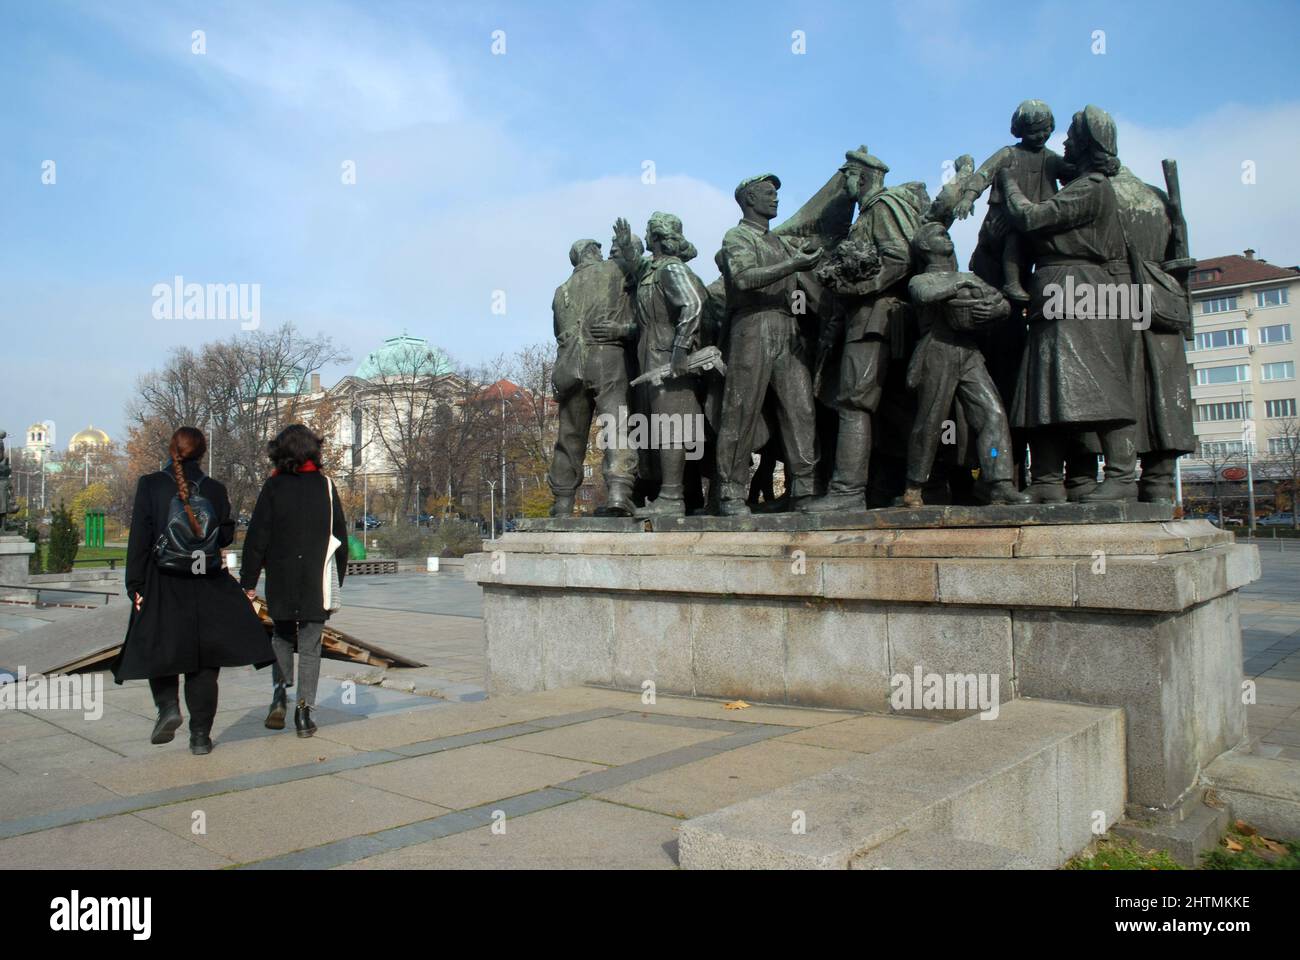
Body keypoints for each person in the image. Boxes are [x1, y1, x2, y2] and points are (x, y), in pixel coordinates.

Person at [999, 104, 1140, 502]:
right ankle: (1046, 480)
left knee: (1100, 385)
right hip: (1056, 289)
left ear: (1087, 145)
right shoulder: (1082, 184)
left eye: (1071, 138)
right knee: (1045, 388)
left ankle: (1121, 477)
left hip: (1081, 290)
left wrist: (1009, 182)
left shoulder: (1092, 187)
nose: (1063, 142)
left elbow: (1030, 216)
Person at [113, 426, 271, 755]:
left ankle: (168, 707)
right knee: (203, 664)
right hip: (207, 582)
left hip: (163, 581)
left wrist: (135, 585)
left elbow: (139, 539)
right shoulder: (214, 488)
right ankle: (200, 736)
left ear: (172, 449)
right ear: (201, 452)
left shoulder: (151, 485)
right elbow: (224, 536)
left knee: (162, 649)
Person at [712, 173, 822, 516]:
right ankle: (730, 492)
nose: (775, 198)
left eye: (776, 193)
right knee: (740, 411)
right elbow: (744, 279)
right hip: (752, 326)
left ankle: (805, 488)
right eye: (767, 193)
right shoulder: (737, 237)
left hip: (787, 327)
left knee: (800, 409)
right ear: (748, 199)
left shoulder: (781, 243)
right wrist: (793, 264)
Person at [902, 221, 1031, 506]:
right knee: (930, 422)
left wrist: (994, 309)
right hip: (936, 350)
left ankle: (999, 481)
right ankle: (914, 485)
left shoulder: (967, 276)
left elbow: (1002, 303)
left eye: (946, 232)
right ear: (924, 246)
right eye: (938, 234)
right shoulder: (922, 279)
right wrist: (963, 282)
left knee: (992, 414)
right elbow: (924, 296)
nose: (946, 237)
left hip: (969, 352)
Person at [240, 425, 348, 738]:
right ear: (313, 450)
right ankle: (304, 712)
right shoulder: (326, 487)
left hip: (282, 578)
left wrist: (248, 581)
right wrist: (336, 579)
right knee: (312, 646)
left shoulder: (273, 487)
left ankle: (279, 695)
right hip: (316, 580)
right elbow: (339, 537)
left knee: (282, 637)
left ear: (281, 452)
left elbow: (258, 537)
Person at [546, 238, 638, 517]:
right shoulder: (613, 269)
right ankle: (619, 491)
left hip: (569, 364)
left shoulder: (561, 291)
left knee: (570, 433)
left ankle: (563, 501)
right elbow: (640, 266)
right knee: (616, 424)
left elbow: (557, 330)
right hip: (605, 356)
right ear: (592, 252)